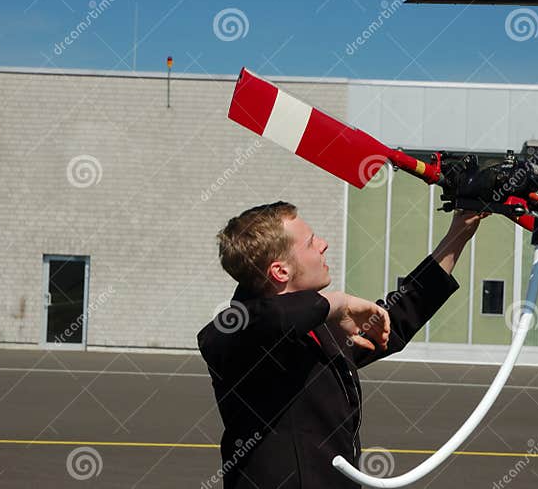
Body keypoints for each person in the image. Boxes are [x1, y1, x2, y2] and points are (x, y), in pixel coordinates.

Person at [198, 201, 486, 488]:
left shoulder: (317, 324)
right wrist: (337, 302)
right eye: (311, 243)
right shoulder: (240, 335)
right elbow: (259, 322)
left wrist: (458, 234)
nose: (323, 244)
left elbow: (391, 322)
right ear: (280, 271)